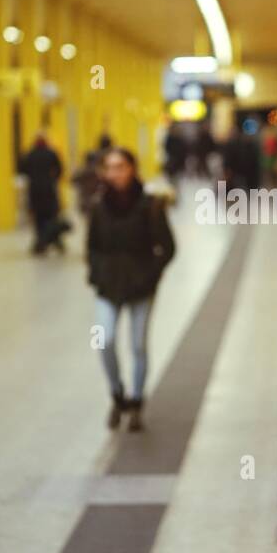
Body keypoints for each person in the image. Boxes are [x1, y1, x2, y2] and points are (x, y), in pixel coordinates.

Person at [86, 147, 175, 431]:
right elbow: (92, 247)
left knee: (138, 345)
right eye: (109, 167)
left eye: (120, 167)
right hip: (107, 287)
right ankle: (117, 393)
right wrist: (97, 273)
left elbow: (169, 248)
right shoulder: (99, 206)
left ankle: (136, 402)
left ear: (132, 169)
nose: (114, 173)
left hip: (140, 287)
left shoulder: (150, 205)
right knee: (104, 339)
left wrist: (151, 275)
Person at [18, 134, 67, 255]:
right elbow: (60, 169)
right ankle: (55, 241)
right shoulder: (51, 153)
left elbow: (22, 169)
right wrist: (53, 178)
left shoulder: (29, 154)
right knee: (52, 216)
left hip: (34, 190)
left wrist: (33, 176)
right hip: (49, 189)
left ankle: (41, 243)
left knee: (39, 218)